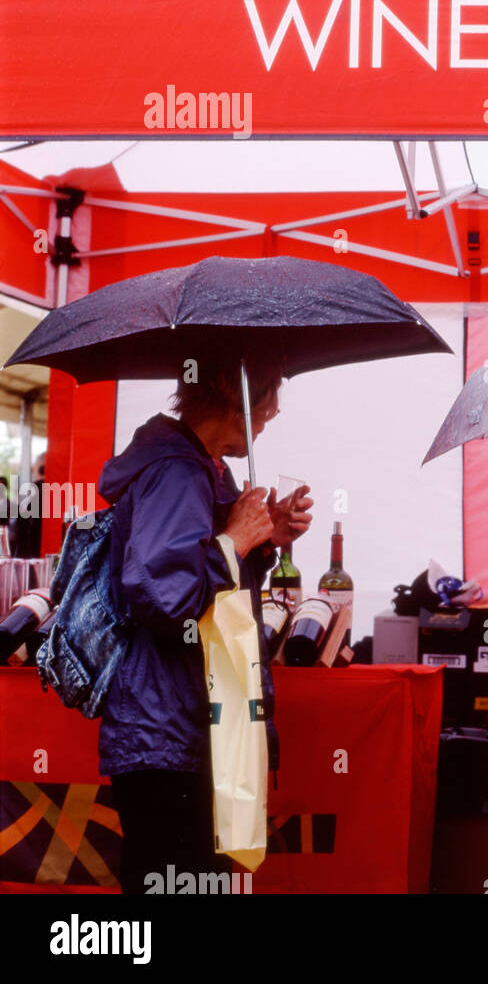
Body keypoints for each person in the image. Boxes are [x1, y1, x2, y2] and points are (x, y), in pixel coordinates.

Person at [96, 357, 312, 894]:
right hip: (167, 733)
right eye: (265, 411)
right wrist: (234, 540)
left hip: (185, 729)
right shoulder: (177, 471)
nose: (268, 423)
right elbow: (164, 600)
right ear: (233, 400)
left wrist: (262, 541)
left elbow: (211, 585)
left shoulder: (205, 469)